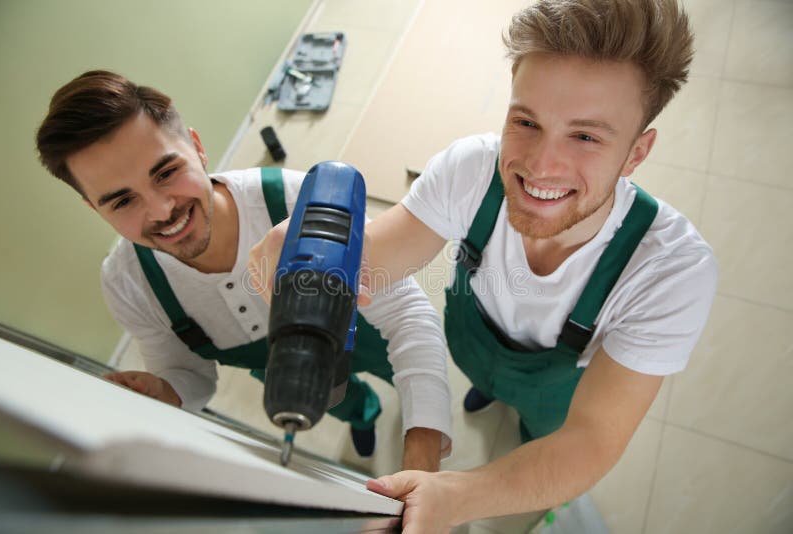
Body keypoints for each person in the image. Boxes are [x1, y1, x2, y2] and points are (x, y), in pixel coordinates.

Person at [248, 0, 717, 530]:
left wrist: (456, 496)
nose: (540, 165)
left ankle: (520, 419)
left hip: (559, 389)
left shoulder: (671, 272)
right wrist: (317, 269)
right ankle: (490, 389)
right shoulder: (470, 171)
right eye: (526, 121)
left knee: (541, 434)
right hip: (476, 344)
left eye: (585, 136)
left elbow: (590, 440)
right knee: (487, 384)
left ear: (636, 153)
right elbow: (372, 261)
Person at [35, 70, 452, 471]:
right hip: (286, 369)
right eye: (122, 201)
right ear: (95, 209)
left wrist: (422, 446)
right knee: (340, 401)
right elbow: (188, 374)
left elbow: (407, 318)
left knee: (401, 376)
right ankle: (364, 417)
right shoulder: (129, 286)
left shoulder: (297, 201)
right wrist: (168, 390)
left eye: (166, 173)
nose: (162, 211)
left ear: (196, 148)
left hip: (366, 334)